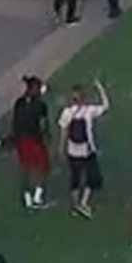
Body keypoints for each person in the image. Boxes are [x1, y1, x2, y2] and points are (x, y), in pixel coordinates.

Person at [58, 80, 111, 217]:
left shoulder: (66, 113)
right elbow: (105, 105)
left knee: (75, 178)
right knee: (92, 177)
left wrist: (61, 148)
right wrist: (100, 87)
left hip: (72, 151)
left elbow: (64, 132)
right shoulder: (89, 111)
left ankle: (76, 206)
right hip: (87, 150)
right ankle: (83, 202)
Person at [9, 76, 52, 210]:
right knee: (42, 167)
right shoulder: (40, 105)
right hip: (34, 139)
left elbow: (15, 122)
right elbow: (44, 123)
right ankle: (37, 197)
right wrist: (47, 136)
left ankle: (27, 196)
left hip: (21, 139)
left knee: (25, 167)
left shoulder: (19, 102)